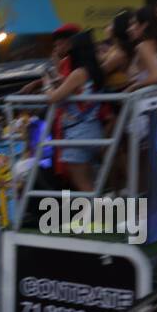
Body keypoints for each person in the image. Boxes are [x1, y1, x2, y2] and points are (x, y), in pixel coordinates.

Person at [43, 27, 106, 193]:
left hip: (78, 133)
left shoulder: (78, 73)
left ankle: (97, 217)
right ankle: (99, 216)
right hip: (93, 129)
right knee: (90, 181)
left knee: (82, 184)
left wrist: (46, 84)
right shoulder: (95, 71)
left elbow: (52, 97)